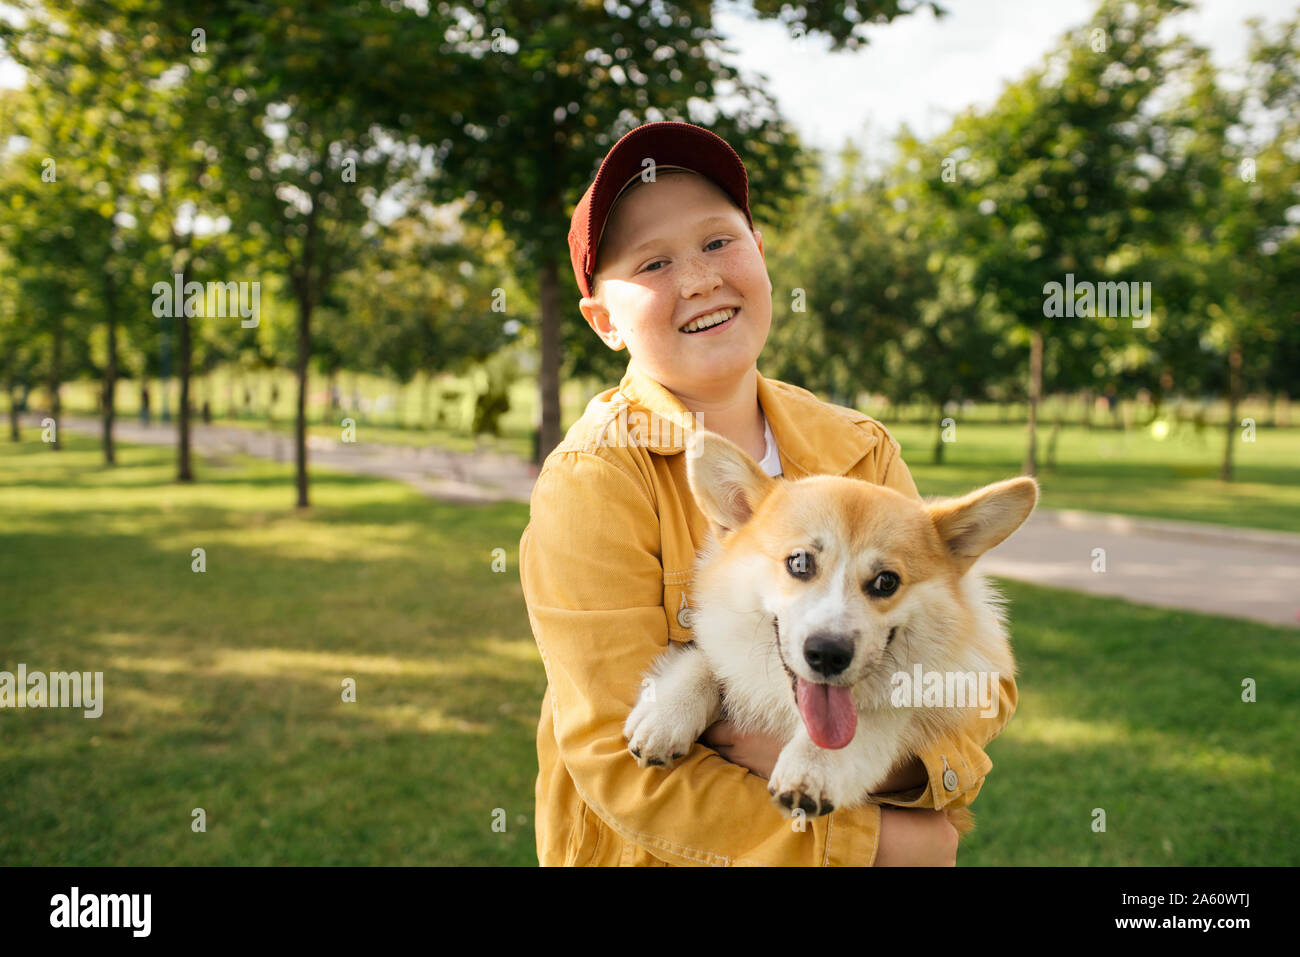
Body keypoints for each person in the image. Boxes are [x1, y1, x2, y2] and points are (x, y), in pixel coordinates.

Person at [519, 121, 1017, 866]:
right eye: (653, 262)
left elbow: (980, 688)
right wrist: (875, 844)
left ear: (761, 254)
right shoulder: (592, 480)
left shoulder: (859, 445)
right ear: (603, 322)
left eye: (719, 242)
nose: (698, 279)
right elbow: (615, 757)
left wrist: (904, 767)